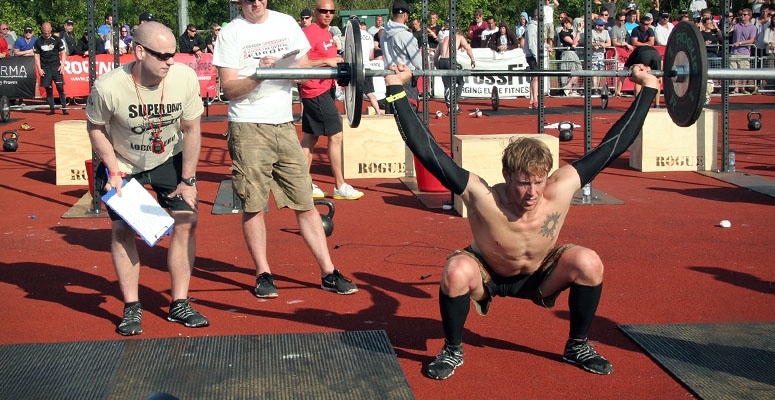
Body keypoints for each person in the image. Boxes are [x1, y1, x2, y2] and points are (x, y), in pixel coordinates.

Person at [382, 62, 658, 380]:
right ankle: (453, 349)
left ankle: (577, 345)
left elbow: (613, 146)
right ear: (507, 177)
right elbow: (427, 151)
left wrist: (647, 87)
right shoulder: (484, 197)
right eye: (523, 183)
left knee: (589, 262)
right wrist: (396, 87)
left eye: (538, 182)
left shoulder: (562, 186)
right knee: (456, 271)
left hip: (542, 274)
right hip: (488, 273)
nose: (531, 193)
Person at [212, 0, 358, 298]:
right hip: (248, 125)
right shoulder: (231, 33)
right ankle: (263, 273)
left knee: (304, 199)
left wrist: (287, 67)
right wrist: (259, 73)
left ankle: (328, 272)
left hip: (283, 124)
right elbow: (228, 89)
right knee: (253, 204)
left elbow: (302, 71)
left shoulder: (286, 24)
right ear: (238, 2)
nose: (257, 3)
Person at [86, 21, 209, 336]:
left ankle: (179, 302)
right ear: (139, 52)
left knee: (185, 221)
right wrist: (112, 169)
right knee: (123, 230)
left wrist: (189, 180)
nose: (171, 61)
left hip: (169, 156)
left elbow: (193, 129)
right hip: (124, 163)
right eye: (163, 55)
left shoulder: (184, 78)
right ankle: (131, 307)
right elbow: (96, 128)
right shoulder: (108, 86)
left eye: (173, 54)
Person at [300, 0, 364, 200]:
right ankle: (339, 185)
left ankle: (302, 185)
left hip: (326, 89)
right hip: (314, 90)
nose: (327, 14)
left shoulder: (328, 33)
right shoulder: (308, 33)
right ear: (315, 12)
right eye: (323, 11)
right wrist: (327, 61)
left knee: (310, 139)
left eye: (331, 11)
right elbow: (300, 63)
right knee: (336, 136)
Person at [381, 0, 423, 109]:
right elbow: (418, 63)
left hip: (390, 78)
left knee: (393, 114)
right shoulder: (407, 36)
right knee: (409, 116)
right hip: (405, 79)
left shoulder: (384, 35)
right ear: (405, 15)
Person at [434, 28, 475, 114]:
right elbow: (468, 48)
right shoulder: (459, 37)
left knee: (447, 85)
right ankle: (454, 105)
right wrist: (472, 60)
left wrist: (438, 66)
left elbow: (435, 56)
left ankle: (450, 108)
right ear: (460, 33)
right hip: (450, 61)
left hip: (442, 61)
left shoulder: (443, 40)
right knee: (460, 82)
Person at [34, 22, 69, 116]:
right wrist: (39, 68)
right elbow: (36, 55)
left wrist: (62, 65)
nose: (46, 32)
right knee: (48, 89)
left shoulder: (57, 39)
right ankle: (52, 109)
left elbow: (63, 52)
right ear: (42, 29)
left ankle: (64, 109)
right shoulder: (38, 41)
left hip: (56, 67)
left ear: (51, 29)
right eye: (45, 31)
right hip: (45, 68)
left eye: (48, 31)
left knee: (60, 88)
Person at [730, 8, 758, 93]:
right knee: (734, 71)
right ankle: (736, 88)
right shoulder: (736, 26)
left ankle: (742, 88)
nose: (742, 16)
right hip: (734, 52)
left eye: (745, 15)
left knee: (744, 71)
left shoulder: (752, 27)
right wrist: (731, 23)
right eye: (741, 14)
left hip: (744, 52)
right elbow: (727, 31)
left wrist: (740, 43)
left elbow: (751, 40)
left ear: (749, 16)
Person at [557, 16, 582, 97]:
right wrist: (578, 33)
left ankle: (570, 88)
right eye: (569, 23)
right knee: (571, 71)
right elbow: (573, 42)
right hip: (567, 53)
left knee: (578, 69)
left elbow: (577, 42)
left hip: (573, 52)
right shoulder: (562, 33)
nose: (570, 25)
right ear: (564, 24)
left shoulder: (571, 31)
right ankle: (568, 88)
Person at [586, 19, 611, 94]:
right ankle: (595, 88)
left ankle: (597, 87)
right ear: (597, 26)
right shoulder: (591, 32)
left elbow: (609, 43)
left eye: (604, 25)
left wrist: (600, 45)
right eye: (601, 25)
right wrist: (595, 45)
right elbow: (589, 42)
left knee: (599, 72)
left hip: (601, 55)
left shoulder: (605, 32)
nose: (603, 26)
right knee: (594, 72)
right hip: (593, 55)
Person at [524, 10, 540, 109]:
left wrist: (547, 47)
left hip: (534, 54)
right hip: (531, 55)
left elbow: (538, 41)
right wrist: (536, 56)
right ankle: (535, 100)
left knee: (534, 77)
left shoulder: (537, 26)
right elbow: (532, 43)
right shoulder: (531, 27)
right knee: (535, 78)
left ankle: (532, 100)